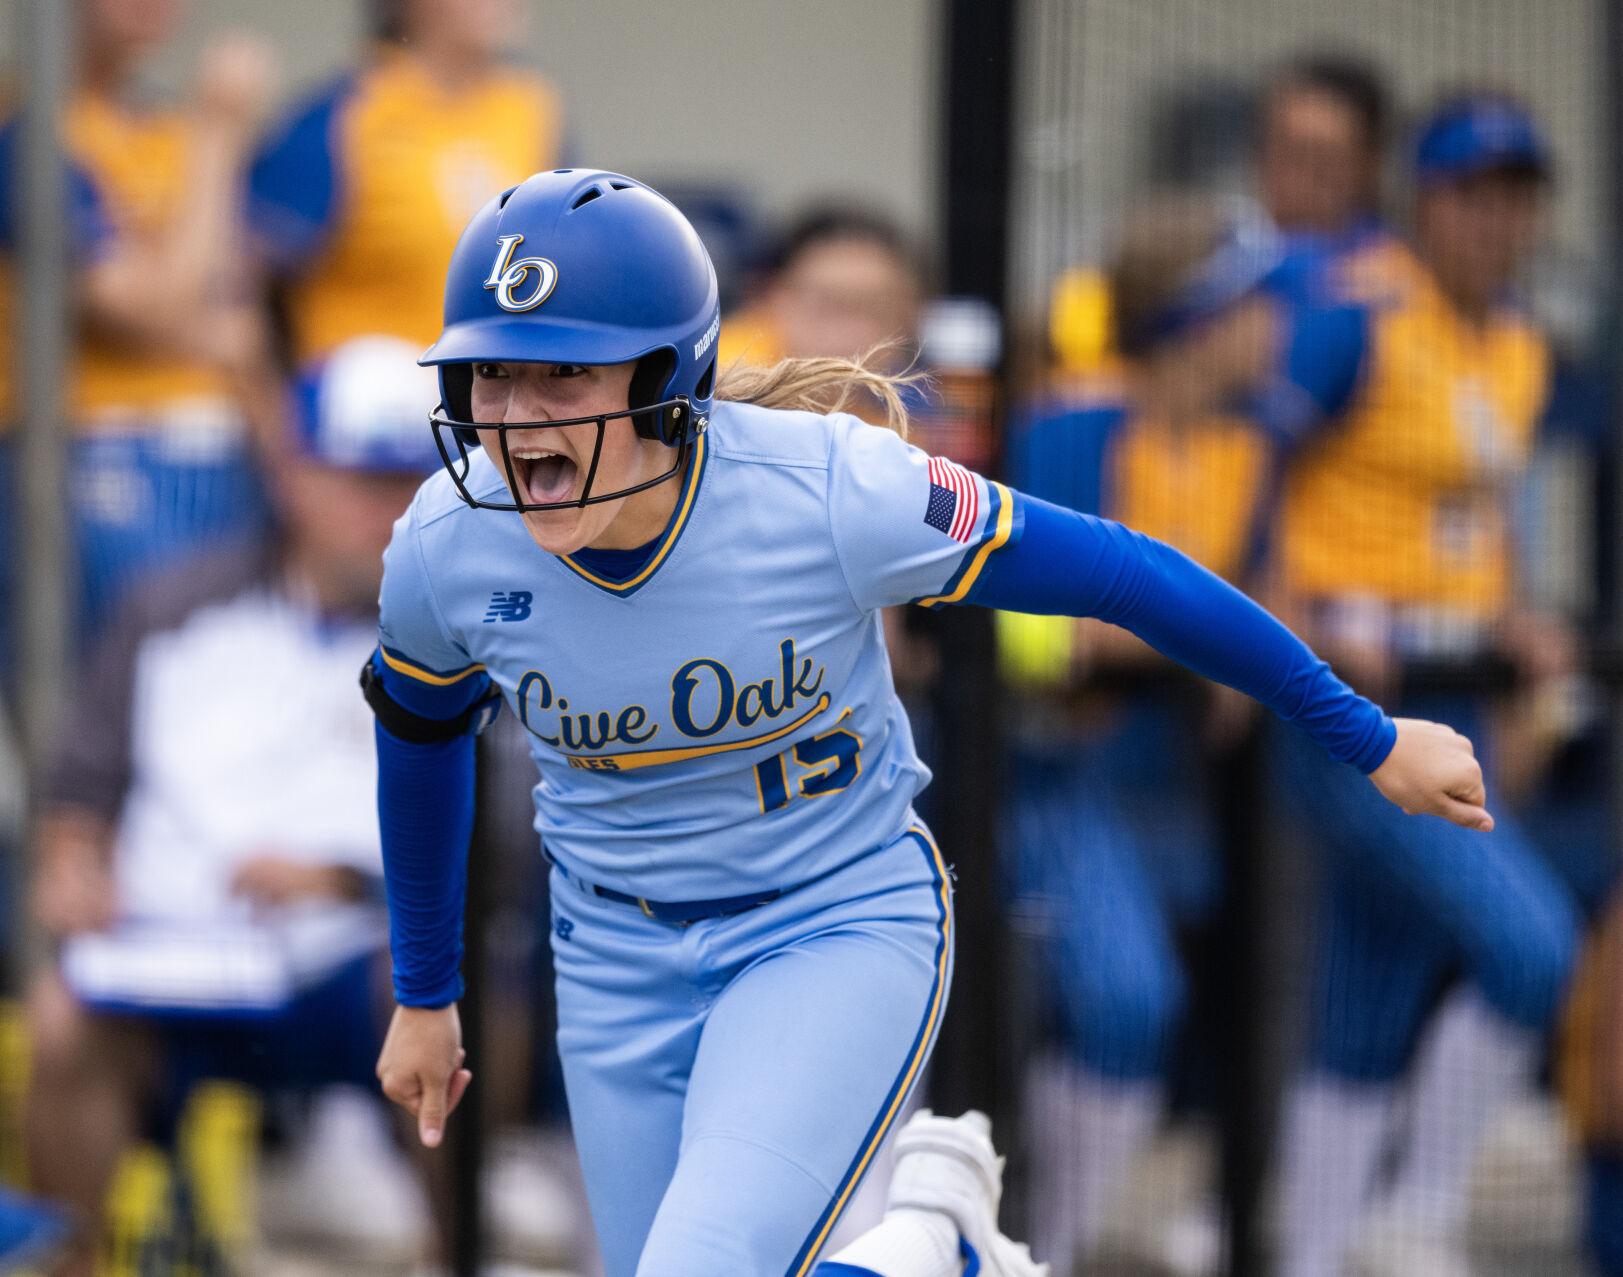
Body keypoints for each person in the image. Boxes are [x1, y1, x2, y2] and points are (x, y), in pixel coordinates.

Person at [365, 167, 1488, 1277]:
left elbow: (1124, 574)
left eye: (558, 379)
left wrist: (1367, 734)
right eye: (489, 378)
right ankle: (933, 1254)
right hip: (612, 949)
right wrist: (426, 992)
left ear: (666, 378)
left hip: (827, 921)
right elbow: (419, 735)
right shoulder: (446, 543)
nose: (513, 419)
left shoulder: (832, 490)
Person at [23, 338, 443, 1277]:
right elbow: (79, 789)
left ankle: (450, 1249)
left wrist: (341, 876)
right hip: (180, 945)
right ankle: (77, 1257)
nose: (384, 511)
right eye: (359, 478)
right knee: (63, 1019)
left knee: (437, 992)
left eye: (407, 481)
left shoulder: (474, 629)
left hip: (361, 949)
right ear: (293, 474)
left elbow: (512, 830)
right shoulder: (170, 603)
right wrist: (73, 864)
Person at [1266, 96, 1581, 1277]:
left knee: (1365, 993)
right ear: (1425, 201)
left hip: (1461, 686)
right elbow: (1259, 469)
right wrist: (1290, 611)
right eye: (1473, 195)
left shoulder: (1520, 342)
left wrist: (1520, 620)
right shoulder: (1352, 311)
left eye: (1518, 198)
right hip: (1351, 701)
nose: (1498, 221)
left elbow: (1481, 509)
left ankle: (1312, 1249)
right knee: (1535, 945)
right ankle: (1418, 1209)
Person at [1003, 192, 1336, 1273]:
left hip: (1186, 790)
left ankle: (1055, 1238)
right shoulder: (1063, 431)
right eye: (1258, 302)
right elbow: (1021, 627)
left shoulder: (1266, 442)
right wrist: (1198, 647)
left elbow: (1274, 594)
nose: (1280, 324)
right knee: (1121, 996)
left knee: (1208, 998)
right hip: (1050, 776)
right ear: (1201, 319)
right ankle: (1028, 1246)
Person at [1, 0, 279, 638]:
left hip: (220, 456)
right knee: (136, 703)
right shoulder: (26, 128)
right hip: (95, 456)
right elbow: (152, 310)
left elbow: (241, 320)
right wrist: (219, 132)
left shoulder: (163, 127)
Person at [1257, 53, 1392, 260]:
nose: (1299, 183)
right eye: (1289, 157)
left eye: (1323, 162)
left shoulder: (1389, 276)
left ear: (1367, 167)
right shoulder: (1227, 253)